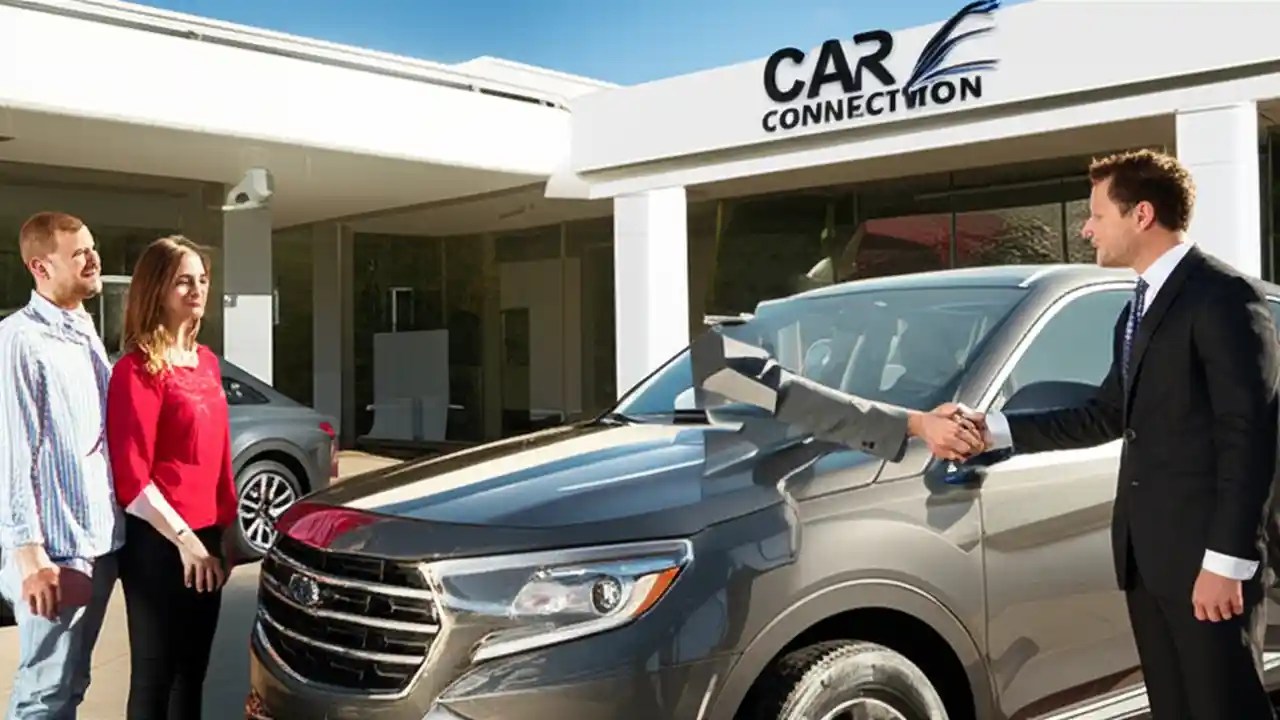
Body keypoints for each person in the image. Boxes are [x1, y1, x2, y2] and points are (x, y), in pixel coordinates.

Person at [949, 149, 1280, 719]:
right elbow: (1104, 414)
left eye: (1097, 214)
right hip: (1147, 559)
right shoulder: (1136, 310)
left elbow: (1248, 435)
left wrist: (1227, 561)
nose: (1086, 227)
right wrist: (994, 431)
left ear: (1142, 215)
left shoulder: (1224, 297)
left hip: (1205, 562)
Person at [106, 235, 240, 719]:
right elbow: (133, 482)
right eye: (183, 280)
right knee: (155, 677)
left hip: (207, 539)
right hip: (159, 544)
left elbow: (219, 457)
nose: (196, 289)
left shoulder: (206, 362)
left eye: (202, 279)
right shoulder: (136, 370)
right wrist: (187, 543)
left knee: (192, 675)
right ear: (156, 289)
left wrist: (227, 534)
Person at [0, 211, 124, 719]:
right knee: (42, 694)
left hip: (100, 543)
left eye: (92, 247)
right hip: (55, 552)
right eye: (78, 253)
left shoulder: (83, 332)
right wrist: (31, 560)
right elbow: (12, 454)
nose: (93, 258)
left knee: (71, 683)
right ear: (40, 266)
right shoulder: (19, 340)